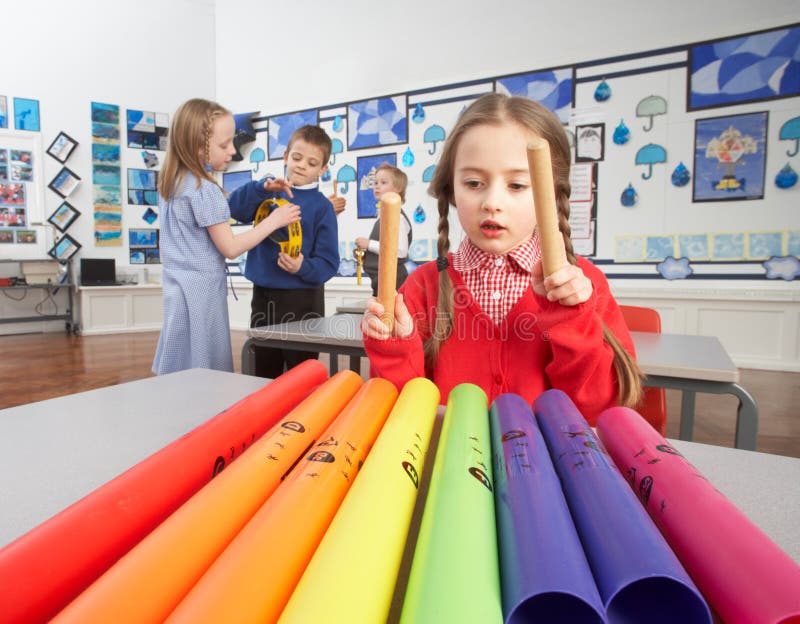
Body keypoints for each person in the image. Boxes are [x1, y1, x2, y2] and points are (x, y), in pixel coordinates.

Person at [361, 93, 642, 425]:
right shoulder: (423, 286)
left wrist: (573, 323)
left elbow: (600, 415)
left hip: (549, 471)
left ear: (551, 192)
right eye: (474, 183)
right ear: (451, 189)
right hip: (448, 470)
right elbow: (402, 418)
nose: (492, 202)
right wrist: (393, 347)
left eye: (518, 185)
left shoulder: (585, 284)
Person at [152, 98, 300, 375]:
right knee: (205, 366)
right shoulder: (203, 189)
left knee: (181, 359)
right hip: (202, 290)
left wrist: (262, 188)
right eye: (224, 144)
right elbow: (230, 248)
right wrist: (273, 221)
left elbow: (223, 212)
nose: (232, 151)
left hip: (177, 285)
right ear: (197, 145)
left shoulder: (172, 182)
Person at [229, 125, 339, 378]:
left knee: (301, 372)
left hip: (303, 300)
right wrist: (261, 188)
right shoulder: (266, 190)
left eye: (312, 163)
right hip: (263, 297)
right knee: (262, 368)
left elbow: (329, 262)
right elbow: (233, 209)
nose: (301, 166)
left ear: (322, 170)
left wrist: (303, 267)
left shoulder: (322, 207)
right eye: (297, 158)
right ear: (286, 156)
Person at [354, 163, 413, 297]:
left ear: (398, 188)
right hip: (381, 280)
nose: (377, 186)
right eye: (375, 182)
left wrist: (369, 244)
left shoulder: (397, 217)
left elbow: (400, 251)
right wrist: (367, 253)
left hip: (393, 281)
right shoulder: (383, 216)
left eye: (383, 182)